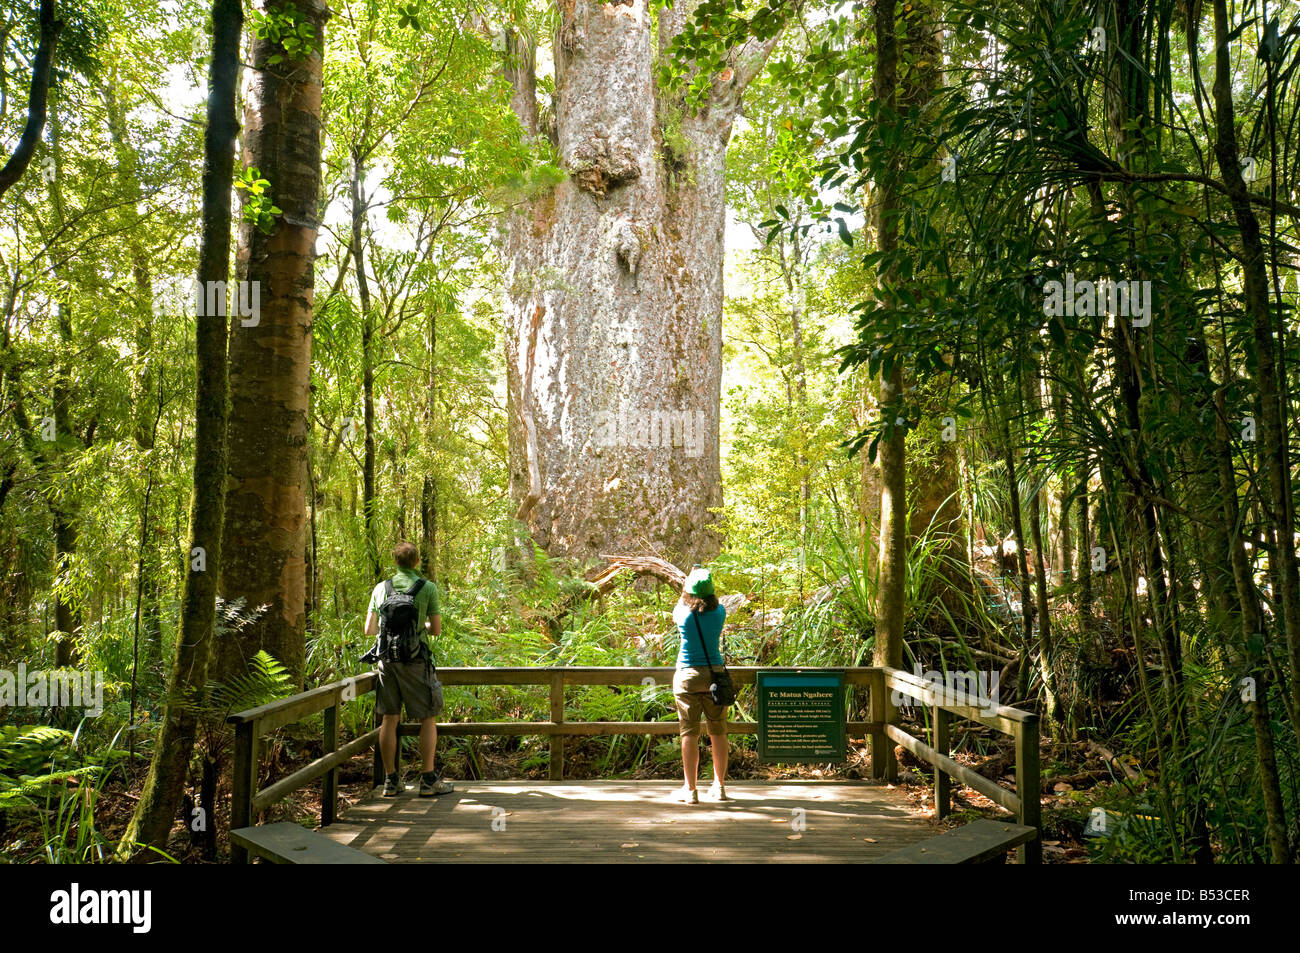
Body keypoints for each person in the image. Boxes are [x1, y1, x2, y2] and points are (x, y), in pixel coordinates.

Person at [364, 542, 454, 797]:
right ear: (417, 562)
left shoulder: (381, 588)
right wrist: (418, 625)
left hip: (387, 662)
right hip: (416, 661)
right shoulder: (427, 588)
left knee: (389, 718)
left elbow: (369, 629)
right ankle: (427, 781)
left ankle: (391, 781)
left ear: (395, 562)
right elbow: (435, 630)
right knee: (427, 717)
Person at [671, 565, 730, 803]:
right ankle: (720, 786)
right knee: (718, 731)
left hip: (687, 676)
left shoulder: (682, 613)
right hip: (715, 675)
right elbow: (712, 604)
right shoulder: (721, 612)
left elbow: (680, 604)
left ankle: (691, 789)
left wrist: (689, 577)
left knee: (689, 733)